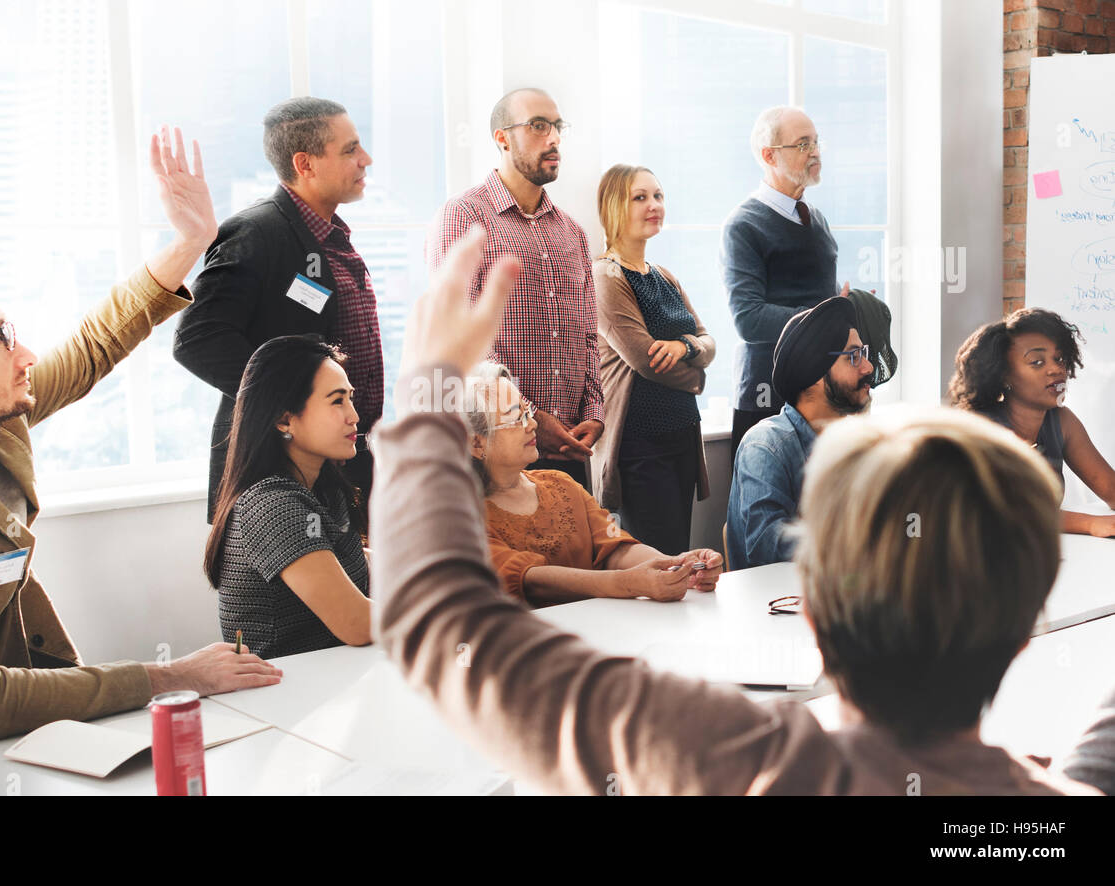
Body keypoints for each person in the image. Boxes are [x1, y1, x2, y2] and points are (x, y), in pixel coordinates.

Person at [366, 226, 1098, 795]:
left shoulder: (745, 763)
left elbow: (440, 627)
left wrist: (429, 391)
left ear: (812, 613)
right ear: (1024, 637)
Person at [0, 128, 281, 746]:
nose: (26, 353)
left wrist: (189, 242)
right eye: (0, 337)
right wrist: (171, 675)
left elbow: (92, 346)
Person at [174, 97, 381, 523]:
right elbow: (197, 340)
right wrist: (292, 407)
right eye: (350, 149)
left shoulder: (329, 236)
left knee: (359, 584)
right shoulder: (257, 232)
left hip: (344, 459)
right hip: (277, 465)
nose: (366, 159)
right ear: (305, 164)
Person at [427, 87, 602, 491]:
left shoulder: (572, 232)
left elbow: (588, 336)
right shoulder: (464, 216)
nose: (554, 138)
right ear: (502, 138)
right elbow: (456, 339)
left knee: (580, 555)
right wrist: (531, 416)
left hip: (572, 451)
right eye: (538, 126)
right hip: (495, 454)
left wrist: (594, 412)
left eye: (558, 127)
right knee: (516, 558)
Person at [462, 362, 721, 607]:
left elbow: (614, 548)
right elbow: (532, 581)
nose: (533, 424)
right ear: (476, 443)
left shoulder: (560, 484)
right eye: (515, 418)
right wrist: (630, 584)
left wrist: (676, 565)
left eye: (527, 412)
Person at [204, 335, 371, 659]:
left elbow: (361, 563)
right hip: (286, 700)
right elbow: (356, 623)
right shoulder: (271, 505)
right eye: (337, 401)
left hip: (338, 682)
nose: (354, 415)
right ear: (284, 419)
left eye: (350, 398)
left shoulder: (323, 488)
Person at [591, 164, 715, 553]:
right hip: (640, 446)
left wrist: (684, 348)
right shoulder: (606, 277)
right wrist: (697, 377)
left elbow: (708, 341)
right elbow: (646, 362)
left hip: (681, 436)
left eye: (658, 196)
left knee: (680, 554)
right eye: (640, 197)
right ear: (613, 207)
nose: (654, 205)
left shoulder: (663, 275)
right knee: (657, 564)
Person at [721, 106, 846, 470]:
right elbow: (749, 319)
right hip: (767, 395)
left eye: (816, 141)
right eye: (803, 144)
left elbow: (818, 296)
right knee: (767, 512)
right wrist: (824, 320)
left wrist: (844, 305)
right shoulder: (743, 225)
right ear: (769, 156)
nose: (816, 151)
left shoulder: (815, 218)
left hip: (823, 391)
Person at [726, 298, 872, 570]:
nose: (868, 367)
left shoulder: (849, 442)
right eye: (853, 356)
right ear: (814, 374)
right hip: (771, 606)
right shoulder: (766, 446)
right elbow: (766, 547)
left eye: (863, 353)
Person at [948, 307, 1115, 537]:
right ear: (1004, 374)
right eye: (1037, 362)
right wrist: (1091, 523)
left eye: (1059, 358)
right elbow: (1010, 512)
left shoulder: (1062, 421)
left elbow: (1110, 489)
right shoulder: (979, 427)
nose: (1056, 368)